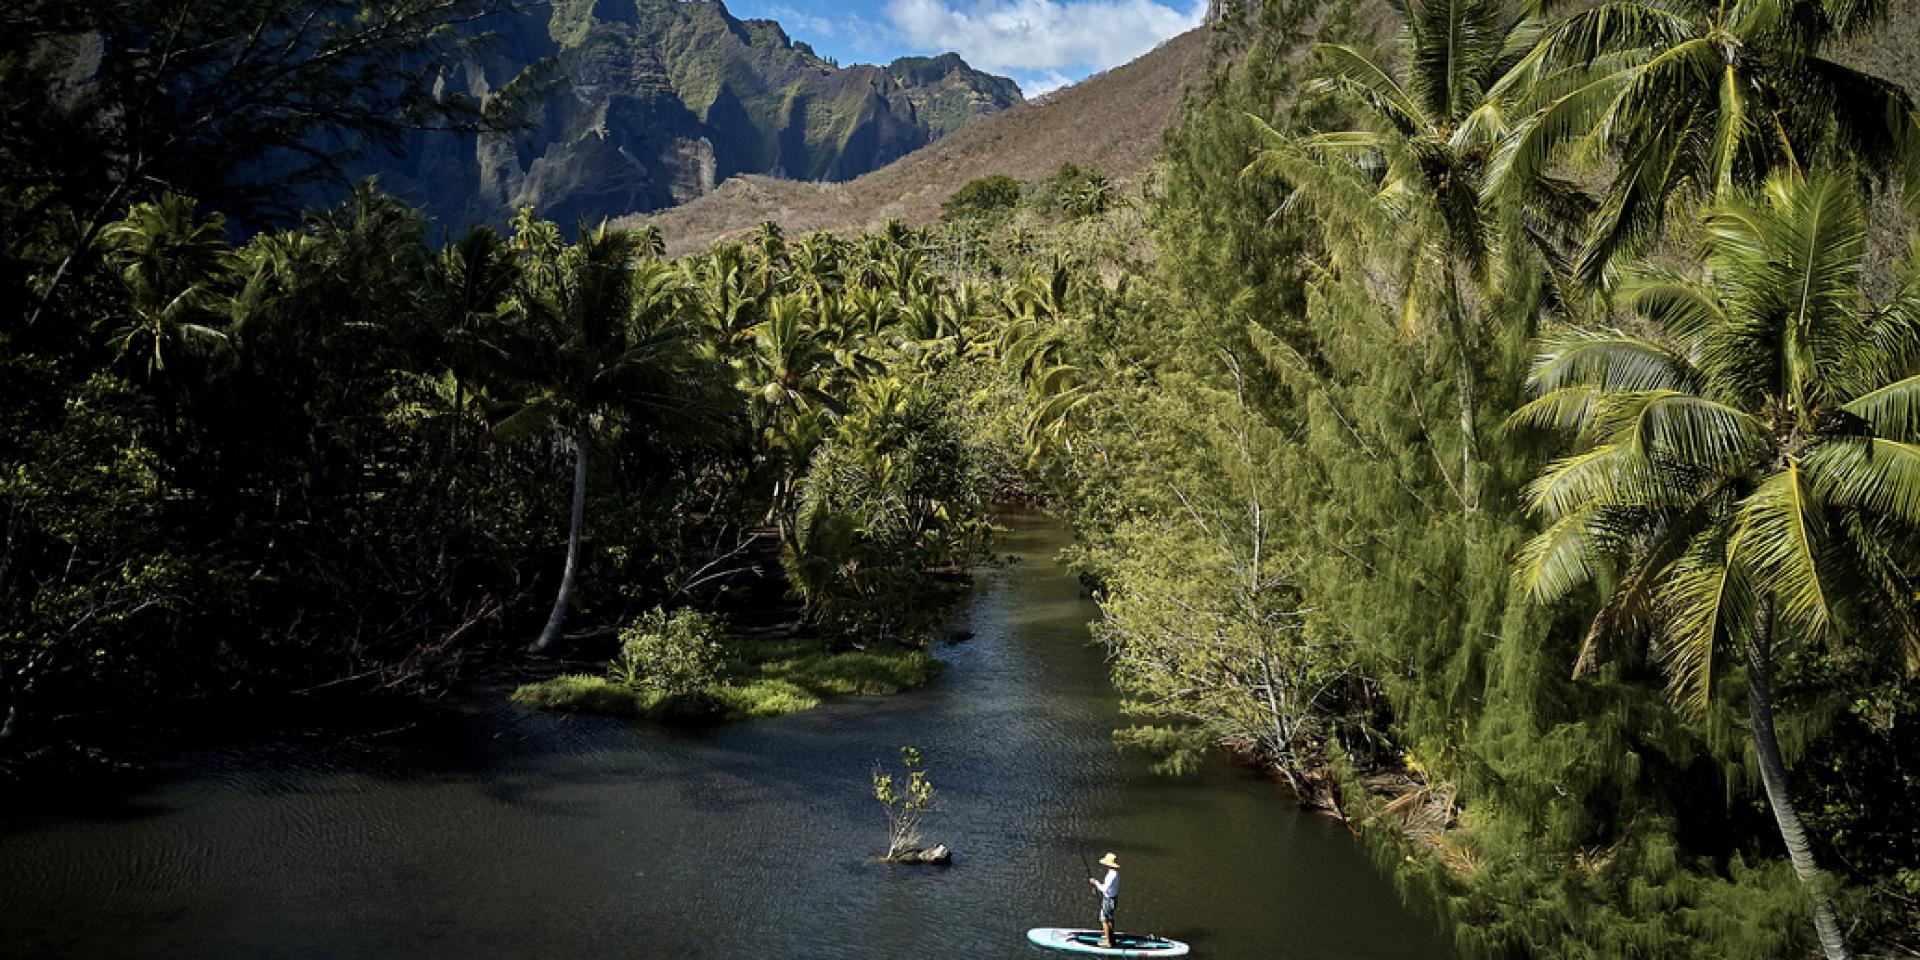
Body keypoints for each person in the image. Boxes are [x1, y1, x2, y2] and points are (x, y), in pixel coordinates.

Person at [1087, 852, 1121, 947]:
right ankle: (1109, 937)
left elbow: (1104, 889)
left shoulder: (1111, 875)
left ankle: (1108, 942)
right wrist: (1096, 886)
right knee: (1110, 919)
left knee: (1104, 919)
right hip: (1112, 899)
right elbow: (1107, 888)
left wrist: (1095, 882)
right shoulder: (1115, 873)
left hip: (1108, 900)